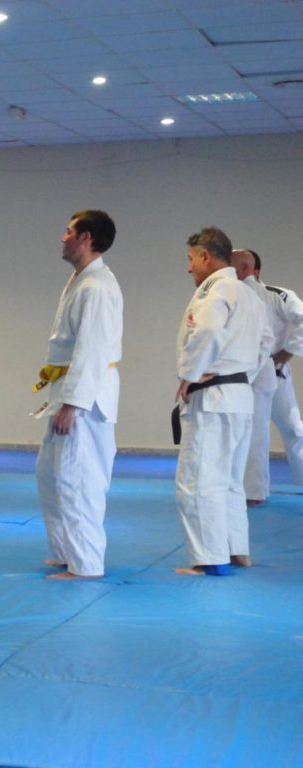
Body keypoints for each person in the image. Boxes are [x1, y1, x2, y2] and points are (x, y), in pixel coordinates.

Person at [174, 228, 272, 576]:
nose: (189, 268)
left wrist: (190, 372)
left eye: (190, 259)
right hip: (240, 396)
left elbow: (208, 332)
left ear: (205, 256)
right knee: (231, 480)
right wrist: (240, 371)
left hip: (213, 398)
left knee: (200, 479)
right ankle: (236, 550)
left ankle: (209, 559)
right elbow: (266, 342)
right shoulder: (249, 294)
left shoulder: (215, 290)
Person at [34, 210, 122, 581]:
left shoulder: (96, 287)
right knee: (50, 476)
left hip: (84, 397)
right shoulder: (81, 280)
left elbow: (92, 349)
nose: (62, 237)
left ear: (85, 238)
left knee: (77, 480)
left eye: (68, 232)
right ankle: (66, 551)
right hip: (68, 387)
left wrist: (73, 404)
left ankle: (86, 564)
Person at [230, 249, 303, 505]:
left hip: (276, 371)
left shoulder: (277, 295)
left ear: (254, 270)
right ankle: (254, 492)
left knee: (294, 428)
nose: (234, 271)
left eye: (239, 266)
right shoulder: (226, 295)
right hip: (244, 375)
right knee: (254, 433)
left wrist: (288, 351)